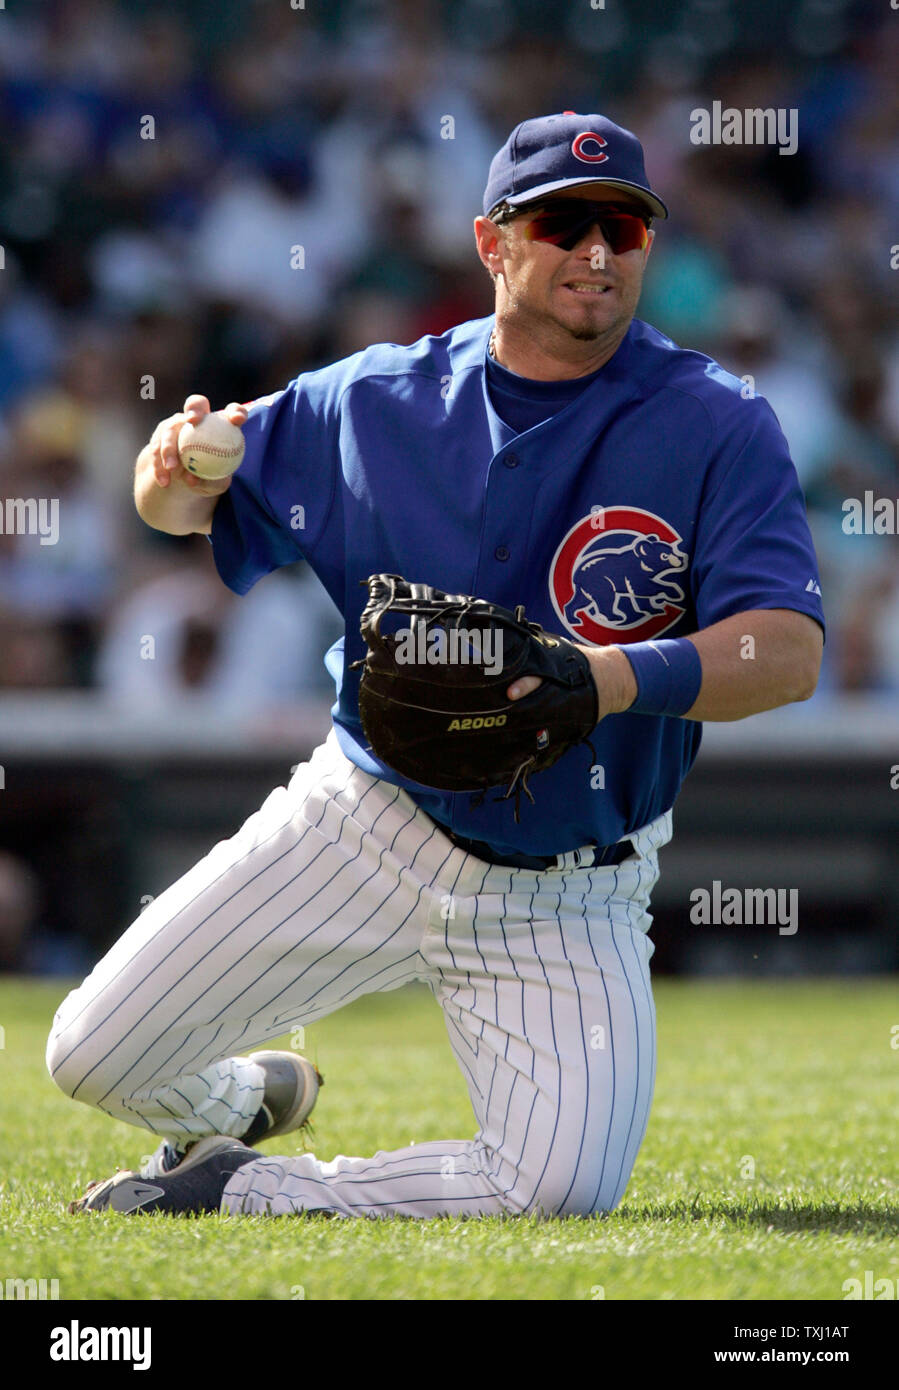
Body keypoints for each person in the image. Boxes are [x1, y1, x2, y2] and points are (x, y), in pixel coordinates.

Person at [48, 112, 824, 1218]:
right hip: (365, 819)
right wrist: (170, 470)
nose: (597, 249)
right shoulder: (369, 400)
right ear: (491, 242)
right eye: (562, 221)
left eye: (624, 226)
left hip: (568, 883)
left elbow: (785, 653)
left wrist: (608, 678)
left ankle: (238, 1188)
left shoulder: (716, 423)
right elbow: (174, 503)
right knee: (87, 1055)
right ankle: (240, 1099)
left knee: (559, 1191)